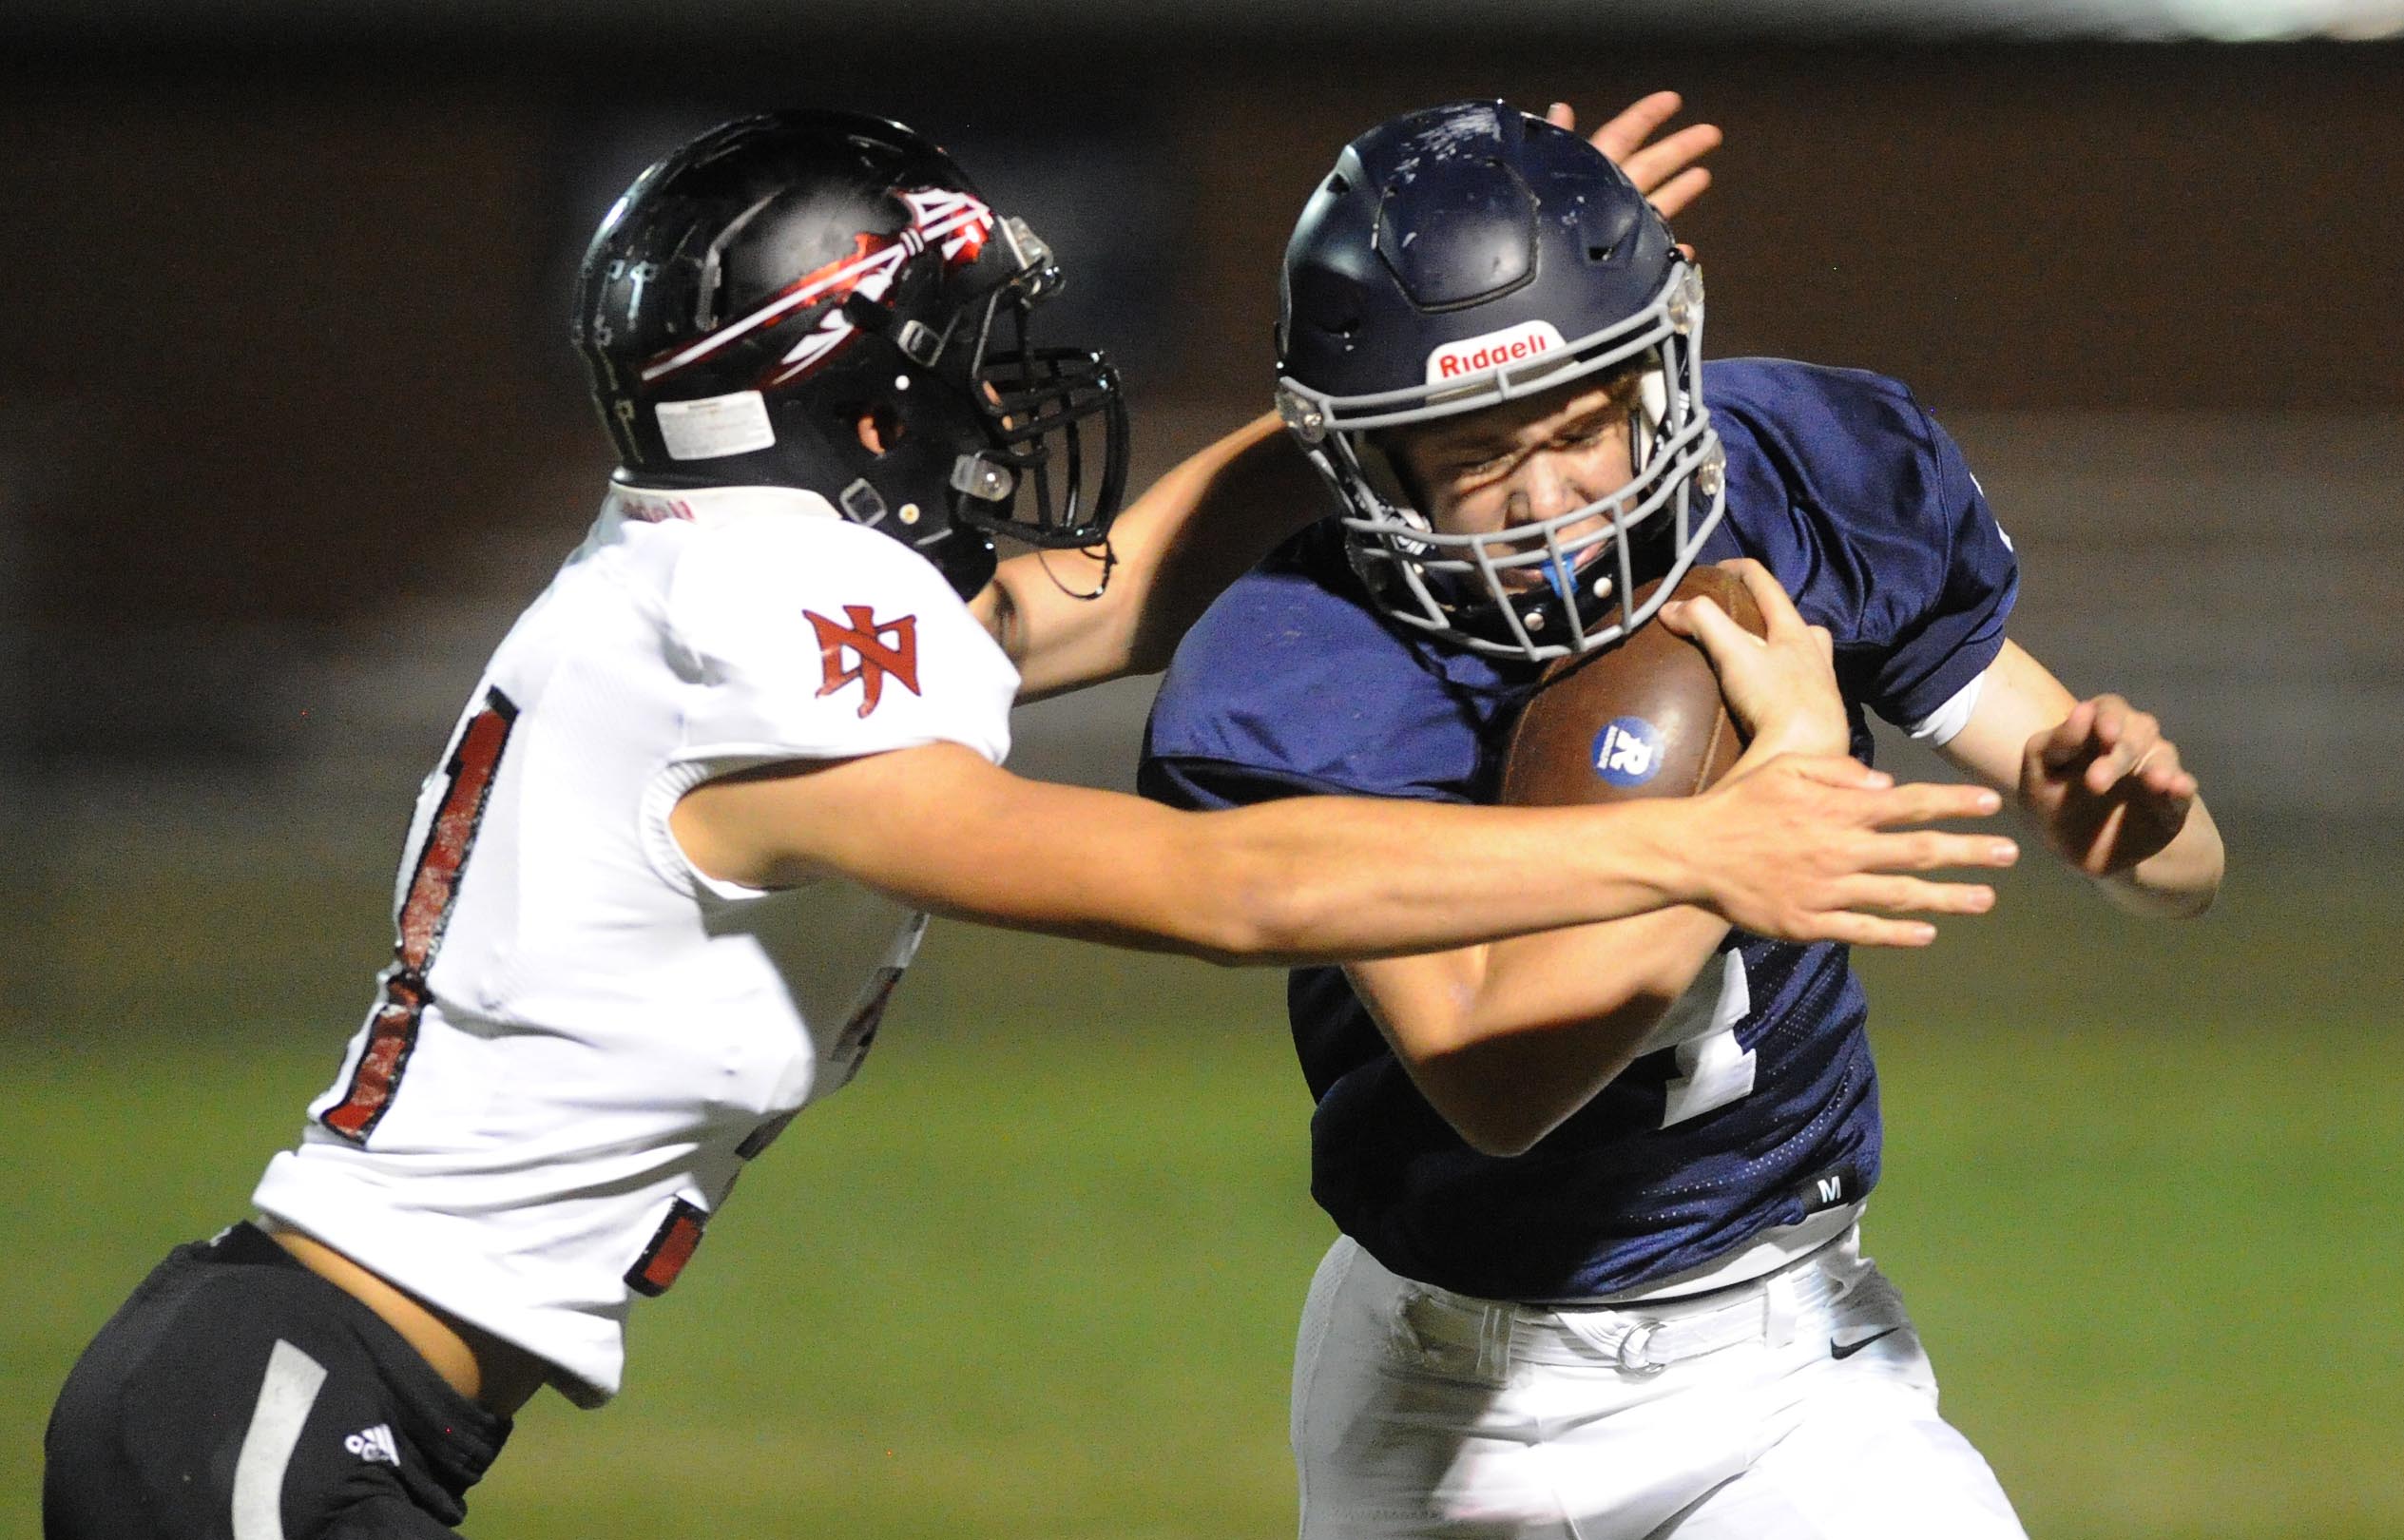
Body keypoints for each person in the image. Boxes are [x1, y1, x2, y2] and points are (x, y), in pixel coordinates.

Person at [41, 106, 2012, 1540]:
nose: (998, 400)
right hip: (284, 1416)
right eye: (948, 363)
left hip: (291, 1396)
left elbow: (1114, 585)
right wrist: (1686, 847)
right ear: (849, 397)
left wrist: (1465, 368)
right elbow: (1217, 884)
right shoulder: (738, 634)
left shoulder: (728, 573)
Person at [1140, 100, 2225, 1540]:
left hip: (1799, 1367)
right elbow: (1494, 1084)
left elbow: (2182, 874)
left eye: (1579, 423)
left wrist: (2129, 830)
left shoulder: (1793, 483)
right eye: (1470, 456)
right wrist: (1757, 799)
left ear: (1658, 367)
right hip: (1454, 1400)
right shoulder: (1310, 665)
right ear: (1364, 463)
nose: (1546, 500)